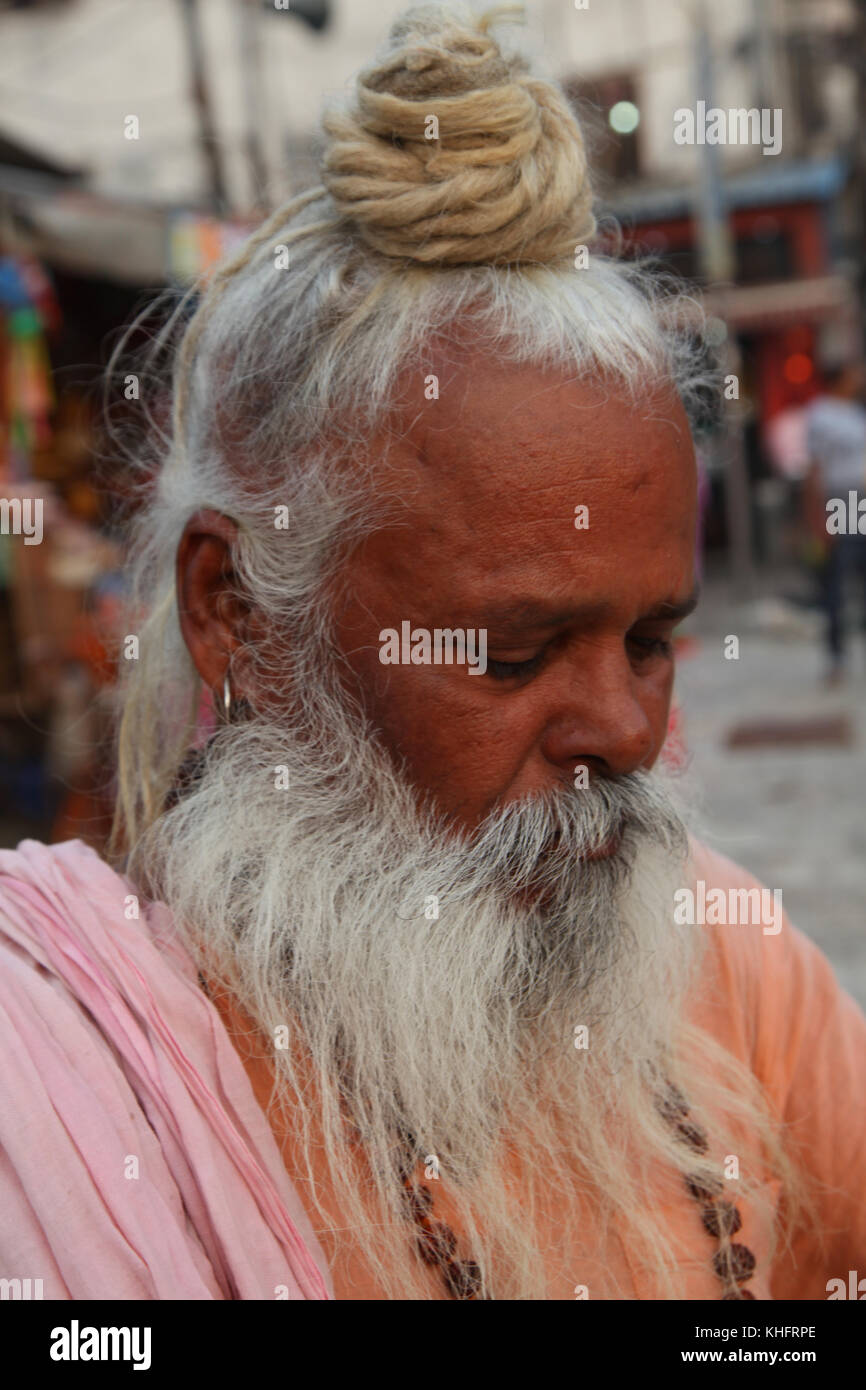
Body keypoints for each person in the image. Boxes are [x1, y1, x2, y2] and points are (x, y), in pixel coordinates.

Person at [1, 4, 864, 1302]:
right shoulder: (58, 1089)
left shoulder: (731, 966)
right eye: (512, 657)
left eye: (649, 641)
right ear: (236, 611)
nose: (625, 732)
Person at [803, 359, 866, 682]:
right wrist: (819, 517)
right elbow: (814, 469)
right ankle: (836, 657)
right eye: (854, 371)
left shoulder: (856, 414)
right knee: (836, 585)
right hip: (838, 502)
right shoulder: (821, 415)